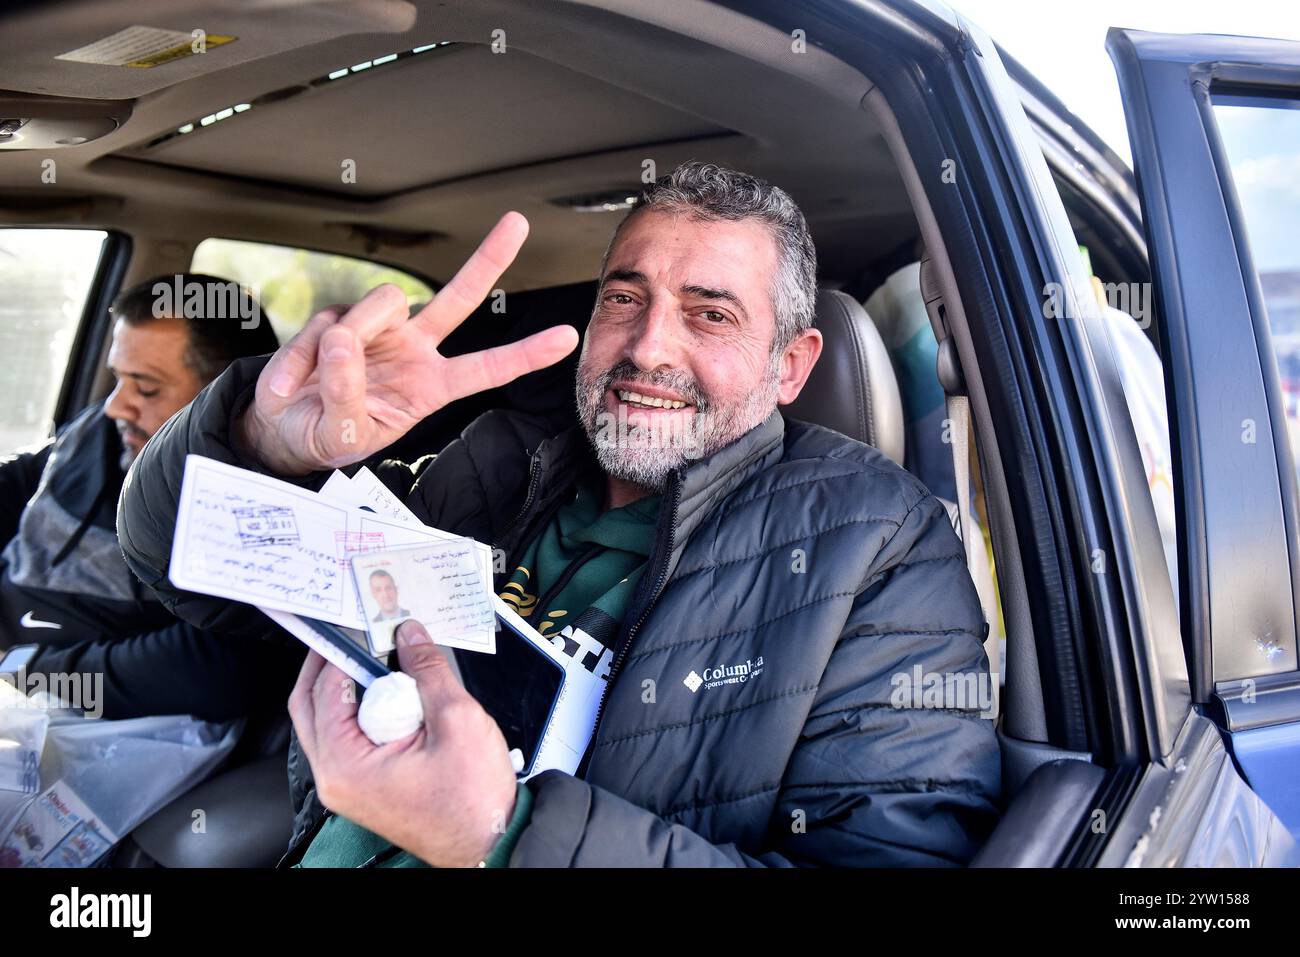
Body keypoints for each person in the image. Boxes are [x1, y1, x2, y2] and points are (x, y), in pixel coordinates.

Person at [118, 163, 1002, 867]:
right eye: (626, 298)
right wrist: (268, 446)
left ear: (791, 366)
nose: (650, 347)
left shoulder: (877, 545)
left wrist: (504, 836)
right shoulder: (496, 463)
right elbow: (193, 578)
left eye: (710, 314)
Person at [0, 274, 304, 720]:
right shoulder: (104, 428)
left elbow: (218, 670)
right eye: (118, 379)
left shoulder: (256, 500)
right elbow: (31, 478)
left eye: (146, 388)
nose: (115, 406)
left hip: (59, 705)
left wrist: (28, 673)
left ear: (222, 396)